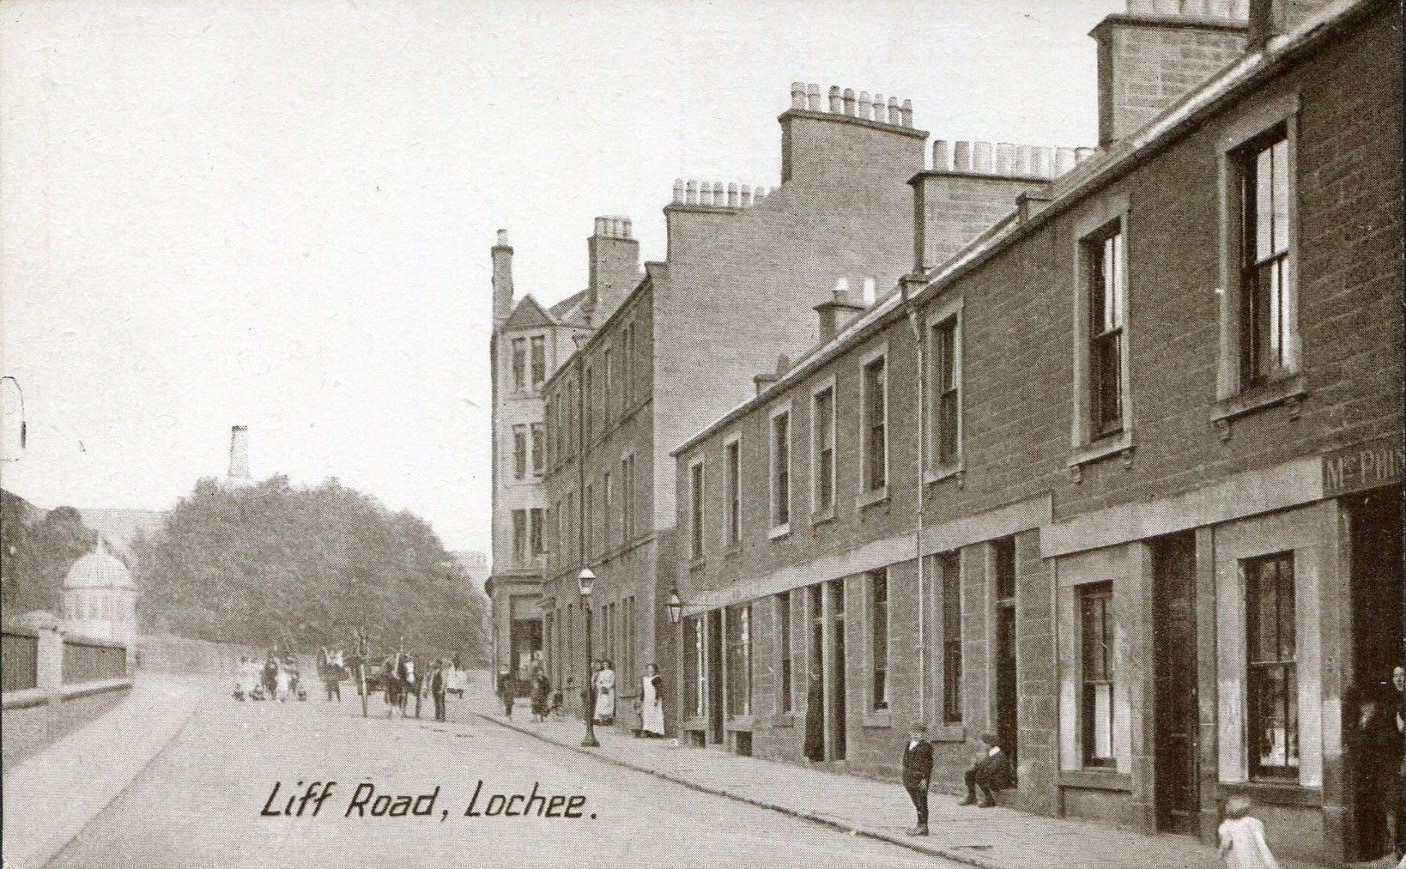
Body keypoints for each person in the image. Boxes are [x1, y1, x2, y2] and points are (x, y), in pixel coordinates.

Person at [1349, 681, 1402, 860]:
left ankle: (1375, 850)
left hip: (1374, 777)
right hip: (1361, 777)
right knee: (1362, 813)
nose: (1364, 707)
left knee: (1375, 814)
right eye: (1362, 704)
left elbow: (1384, 749)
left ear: (1373, 705)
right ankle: (1364, 850)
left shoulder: (1380, 724)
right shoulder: (1359, 723)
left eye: (1368, 704)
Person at [1219, 796, 1282, 869]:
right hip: (1254, 851)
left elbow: (1225, 842)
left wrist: (1222, 852)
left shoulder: (1226, 825)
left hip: (1238, 854)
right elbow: (1261, 838)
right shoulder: (1255, 822)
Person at [960, 732, 1012, 808]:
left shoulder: (999, 755)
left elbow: (992, 769)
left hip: (1000, 780)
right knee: (969, 774)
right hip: (993, 777)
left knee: (980, 776)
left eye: (984, 744)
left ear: (990, 744)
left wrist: (979, 769)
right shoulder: (991, 753)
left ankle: (989, 800)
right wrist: (976, 767)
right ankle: (972, 797)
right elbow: (984, 766)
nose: (983, 746)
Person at [901, 721, 934, 836]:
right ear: (910, 733)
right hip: (909, 777)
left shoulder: (926, 746)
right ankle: (919, 824)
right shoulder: (908, 744)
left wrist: (924, 778)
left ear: (923, 734)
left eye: (919, 733)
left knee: (922, 801)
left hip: (920, 779)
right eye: (913, 732)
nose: (915, 735)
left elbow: (928, 764)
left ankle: (924, 826)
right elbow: (905, 760)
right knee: (916, 802)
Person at [640, 663, 666, 738]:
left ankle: (657, 732)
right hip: (647, 699)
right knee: (647, 715)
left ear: (654, 669)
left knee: (656, 714)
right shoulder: (645, 678)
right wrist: (641, 699)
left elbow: (659, 689)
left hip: (654, 699)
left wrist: (656, 699)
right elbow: (643, 690)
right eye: (648, 668)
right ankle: (648, 731)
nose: (650, 670)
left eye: (651, 668)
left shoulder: (656, 678)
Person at [803, 671, 824, 762]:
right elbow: (809, 699)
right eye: (814, 675)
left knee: (816, 731)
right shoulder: (813, 686)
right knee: (812, 732)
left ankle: (816, 755)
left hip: (816, 712)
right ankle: (812, 754)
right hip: (812, 712)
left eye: (817, 675)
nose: (815, 676)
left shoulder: (819, 686)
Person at [594, 659, 616, 725]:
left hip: (609, 690)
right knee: (602, 704)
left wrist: (607, 687)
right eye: (604, 664)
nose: (605, 665)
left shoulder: (611, 672)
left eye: (606, 664)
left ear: (609, 665)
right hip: (602, 689)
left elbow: (612, 681)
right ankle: (601, 719)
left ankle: (607, 719)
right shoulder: (601, 673)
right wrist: (600, 687)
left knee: (608, 703)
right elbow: (598, 681)